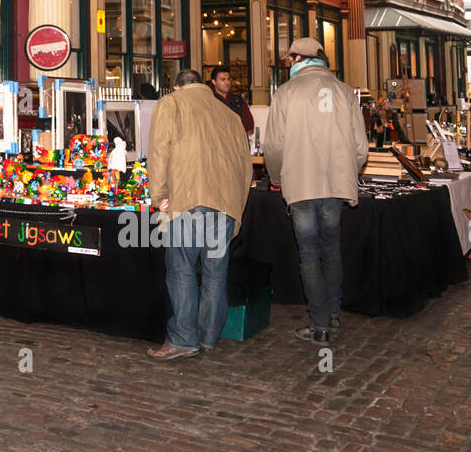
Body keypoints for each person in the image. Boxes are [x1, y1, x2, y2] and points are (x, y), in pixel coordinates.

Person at [265, 37, 368, 344]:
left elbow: (273, 146)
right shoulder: (344, 91)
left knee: (309, 254)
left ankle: (319, 324)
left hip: (301, 184)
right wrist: (348, 171)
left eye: (290, 58)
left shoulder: (285, 92)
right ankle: (334, 314)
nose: (288, 64)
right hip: (335, 184)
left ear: (298, 58)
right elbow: (360, 147)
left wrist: (277, 178)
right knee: (332, 249)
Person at [145, 69, 253, 361]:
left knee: (181, 270)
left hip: (187, 200)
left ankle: (182, 339)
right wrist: (237, 208)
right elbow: (246, 168)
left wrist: (159, 196)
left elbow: (158, 151)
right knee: (215, 273)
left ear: (178, 87)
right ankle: (207, 337)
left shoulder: (172, 104)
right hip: (225, 205)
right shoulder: (230, 115)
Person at [209, 66, 254, 135]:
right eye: (223, 79)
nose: (227, 82)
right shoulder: (209, 100)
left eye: (229, 79)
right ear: (214, 82)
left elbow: (249, 125)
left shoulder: (238, 100)